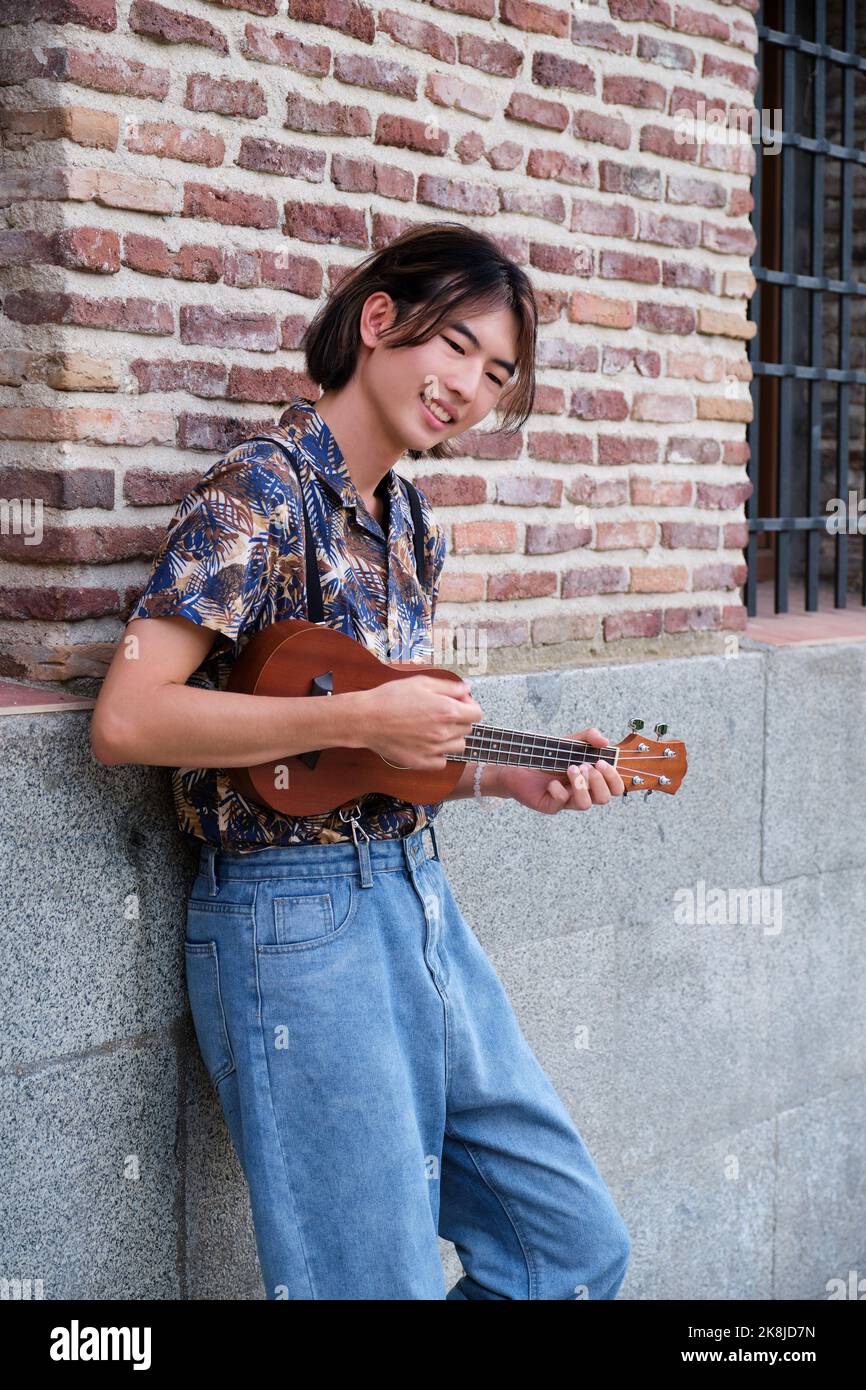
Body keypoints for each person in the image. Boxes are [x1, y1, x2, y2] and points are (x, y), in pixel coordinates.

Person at [91, 220, 631, 1300]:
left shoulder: (409, 521)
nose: (469, 387)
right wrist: (361, 724)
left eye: (496, 373)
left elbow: (373, 747)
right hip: (290, 925)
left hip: (415, 898)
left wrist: (495, 775)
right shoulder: (260, 490)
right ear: (378, 321)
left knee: (567, 1251)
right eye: (456, 347)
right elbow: (129, 718)